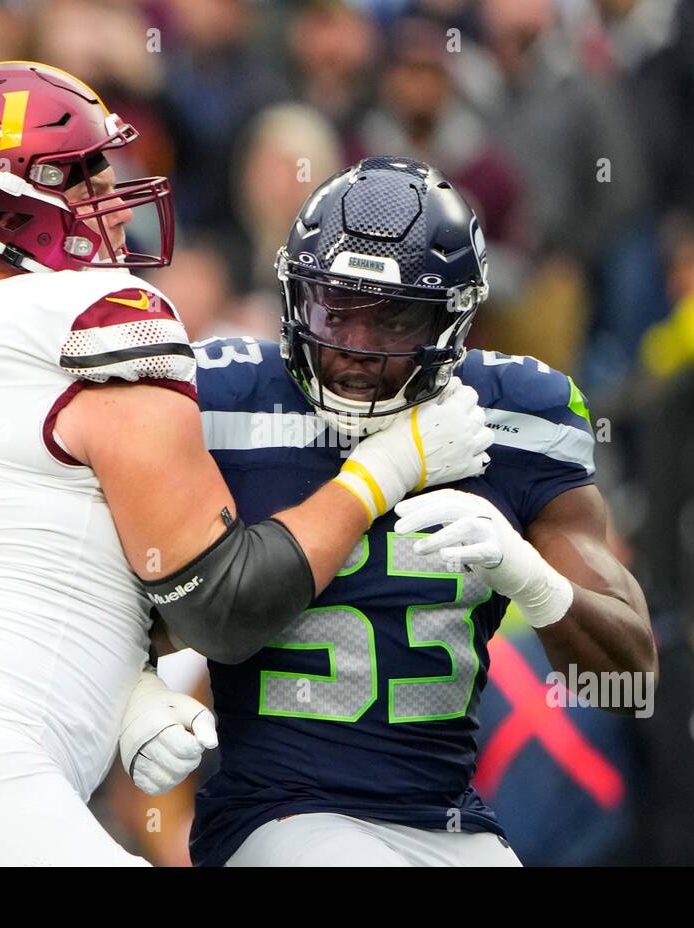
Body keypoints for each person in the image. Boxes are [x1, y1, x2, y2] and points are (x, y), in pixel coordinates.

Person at [0, 62, 492, 866]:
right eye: (80, 173)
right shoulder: (97, 315)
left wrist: (130, 689)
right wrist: (386, 470)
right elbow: (221, 604)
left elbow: (29, 556)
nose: (110, 191)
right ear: (5, 202)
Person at [184, 156, 657, 866]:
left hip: (445, 818)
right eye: (334, 307)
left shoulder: (519, 414)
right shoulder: (224, 400)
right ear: (293, 295)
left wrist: (533, 579)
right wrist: (136, 694)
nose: (354, 348)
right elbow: (119, 586)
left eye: (394, 322)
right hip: (276, 814)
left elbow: (628, 683)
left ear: (455, 322)